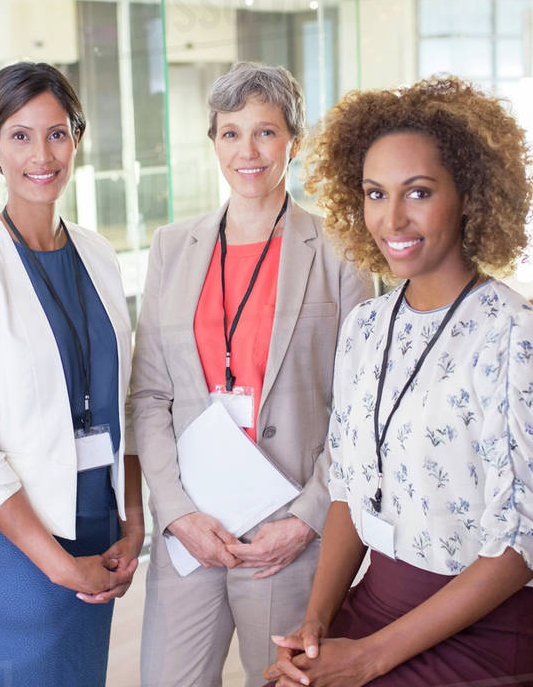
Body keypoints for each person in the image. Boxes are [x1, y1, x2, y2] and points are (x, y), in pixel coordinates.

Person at [265, 76, 533, 687]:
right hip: (376, 608)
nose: (393, 218)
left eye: (419, 192)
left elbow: (523, 545)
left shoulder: (513, 336)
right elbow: (350, 493)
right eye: (375, 194)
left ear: (470, 196)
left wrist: (369, 657)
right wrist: (316, 627)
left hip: (482, 633)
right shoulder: (365, 327)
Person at [131, 61, 373, 686]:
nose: (248, 150)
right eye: (231, 132)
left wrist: (308, 518)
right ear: (213, 141)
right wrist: (176, 510)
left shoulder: (342, 252)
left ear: (295, 140)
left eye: (265, 132)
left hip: (285, 531)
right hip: (193, 526)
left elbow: (359, 408)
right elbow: (150, 395)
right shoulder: (170, 247)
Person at [0, 62, 144, 687]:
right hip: (13, 546)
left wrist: (134, 518)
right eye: (19, 136)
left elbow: (119, 403)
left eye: (57, 133)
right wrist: (59, 566)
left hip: (96, 522)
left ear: (77, 138)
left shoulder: (97, 253)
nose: (41, 154)